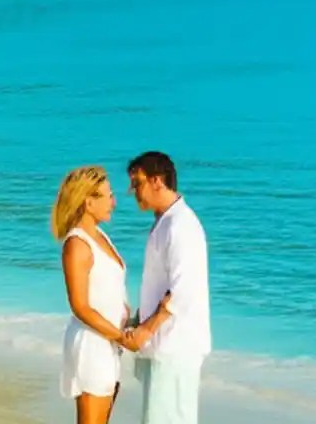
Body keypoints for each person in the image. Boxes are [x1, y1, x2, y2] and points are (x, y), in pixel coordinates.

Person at [53, 165, 173, 424]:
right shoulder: (77, 245)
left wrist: (132, 321)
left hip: (108, 342)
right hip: (93, 343)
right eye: (107, 196)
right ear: (88, 202)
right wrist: (122, 337)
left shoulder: (99, 236)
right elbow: (80, 306)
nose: (114, 202)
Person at [126, 152, 211, 424]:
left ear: (157, 181)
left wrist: (145, 330)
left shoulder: (181, 225)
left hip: (176, 345)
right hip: (163, 344)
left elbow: (182, 289)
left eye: (137, 183)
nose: (132, 191)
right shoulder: (165, 221)